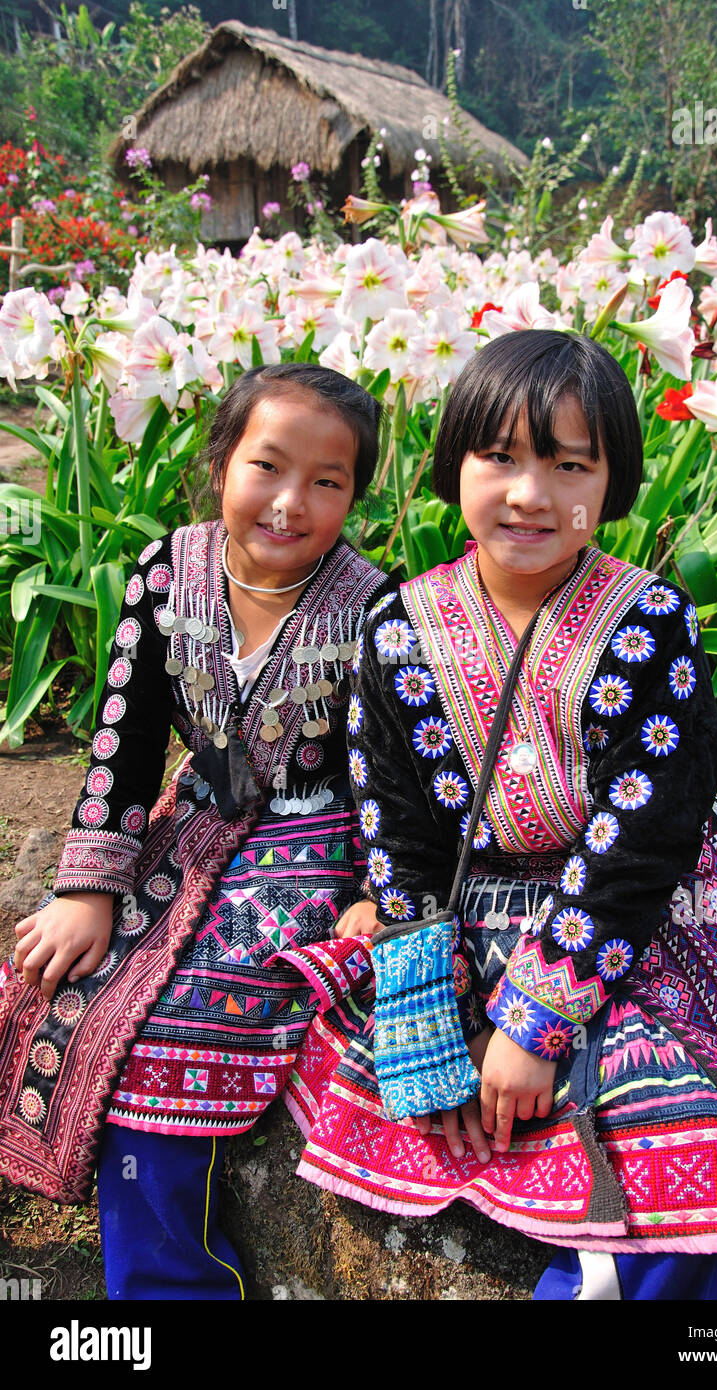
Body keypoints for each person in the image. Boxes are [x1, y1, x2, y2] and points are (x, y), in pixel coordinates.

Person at [287, 330, 717, 1302]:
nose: (529, 494)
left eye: (568, 465)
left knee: (702, 1141)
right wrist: (429, 1013)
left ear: (612, 482)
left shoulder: (649, 622)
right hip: (478, 904)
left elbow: (645, 834)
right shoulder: (399, 630)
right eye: (499, 456)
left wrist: (530, 1026)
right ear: (453, 464)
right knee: (413, 1090)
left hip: (647, 912)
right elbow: (396, 827)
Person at [0, 363, 386, 1299]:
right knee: (49, 978)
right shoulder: (166, 571)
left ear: (355, 498)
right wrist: (87, 889)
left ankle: (174, 1289)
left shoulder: (375, 605)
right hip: (197, 818)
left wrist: (382, 893)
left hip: (313, 846)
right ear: (220, 464)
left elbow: (394, 773)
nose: (290, 502)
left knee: (182, 1030)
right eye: (267, 466)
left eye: (327, 481)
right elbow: (126, 736)